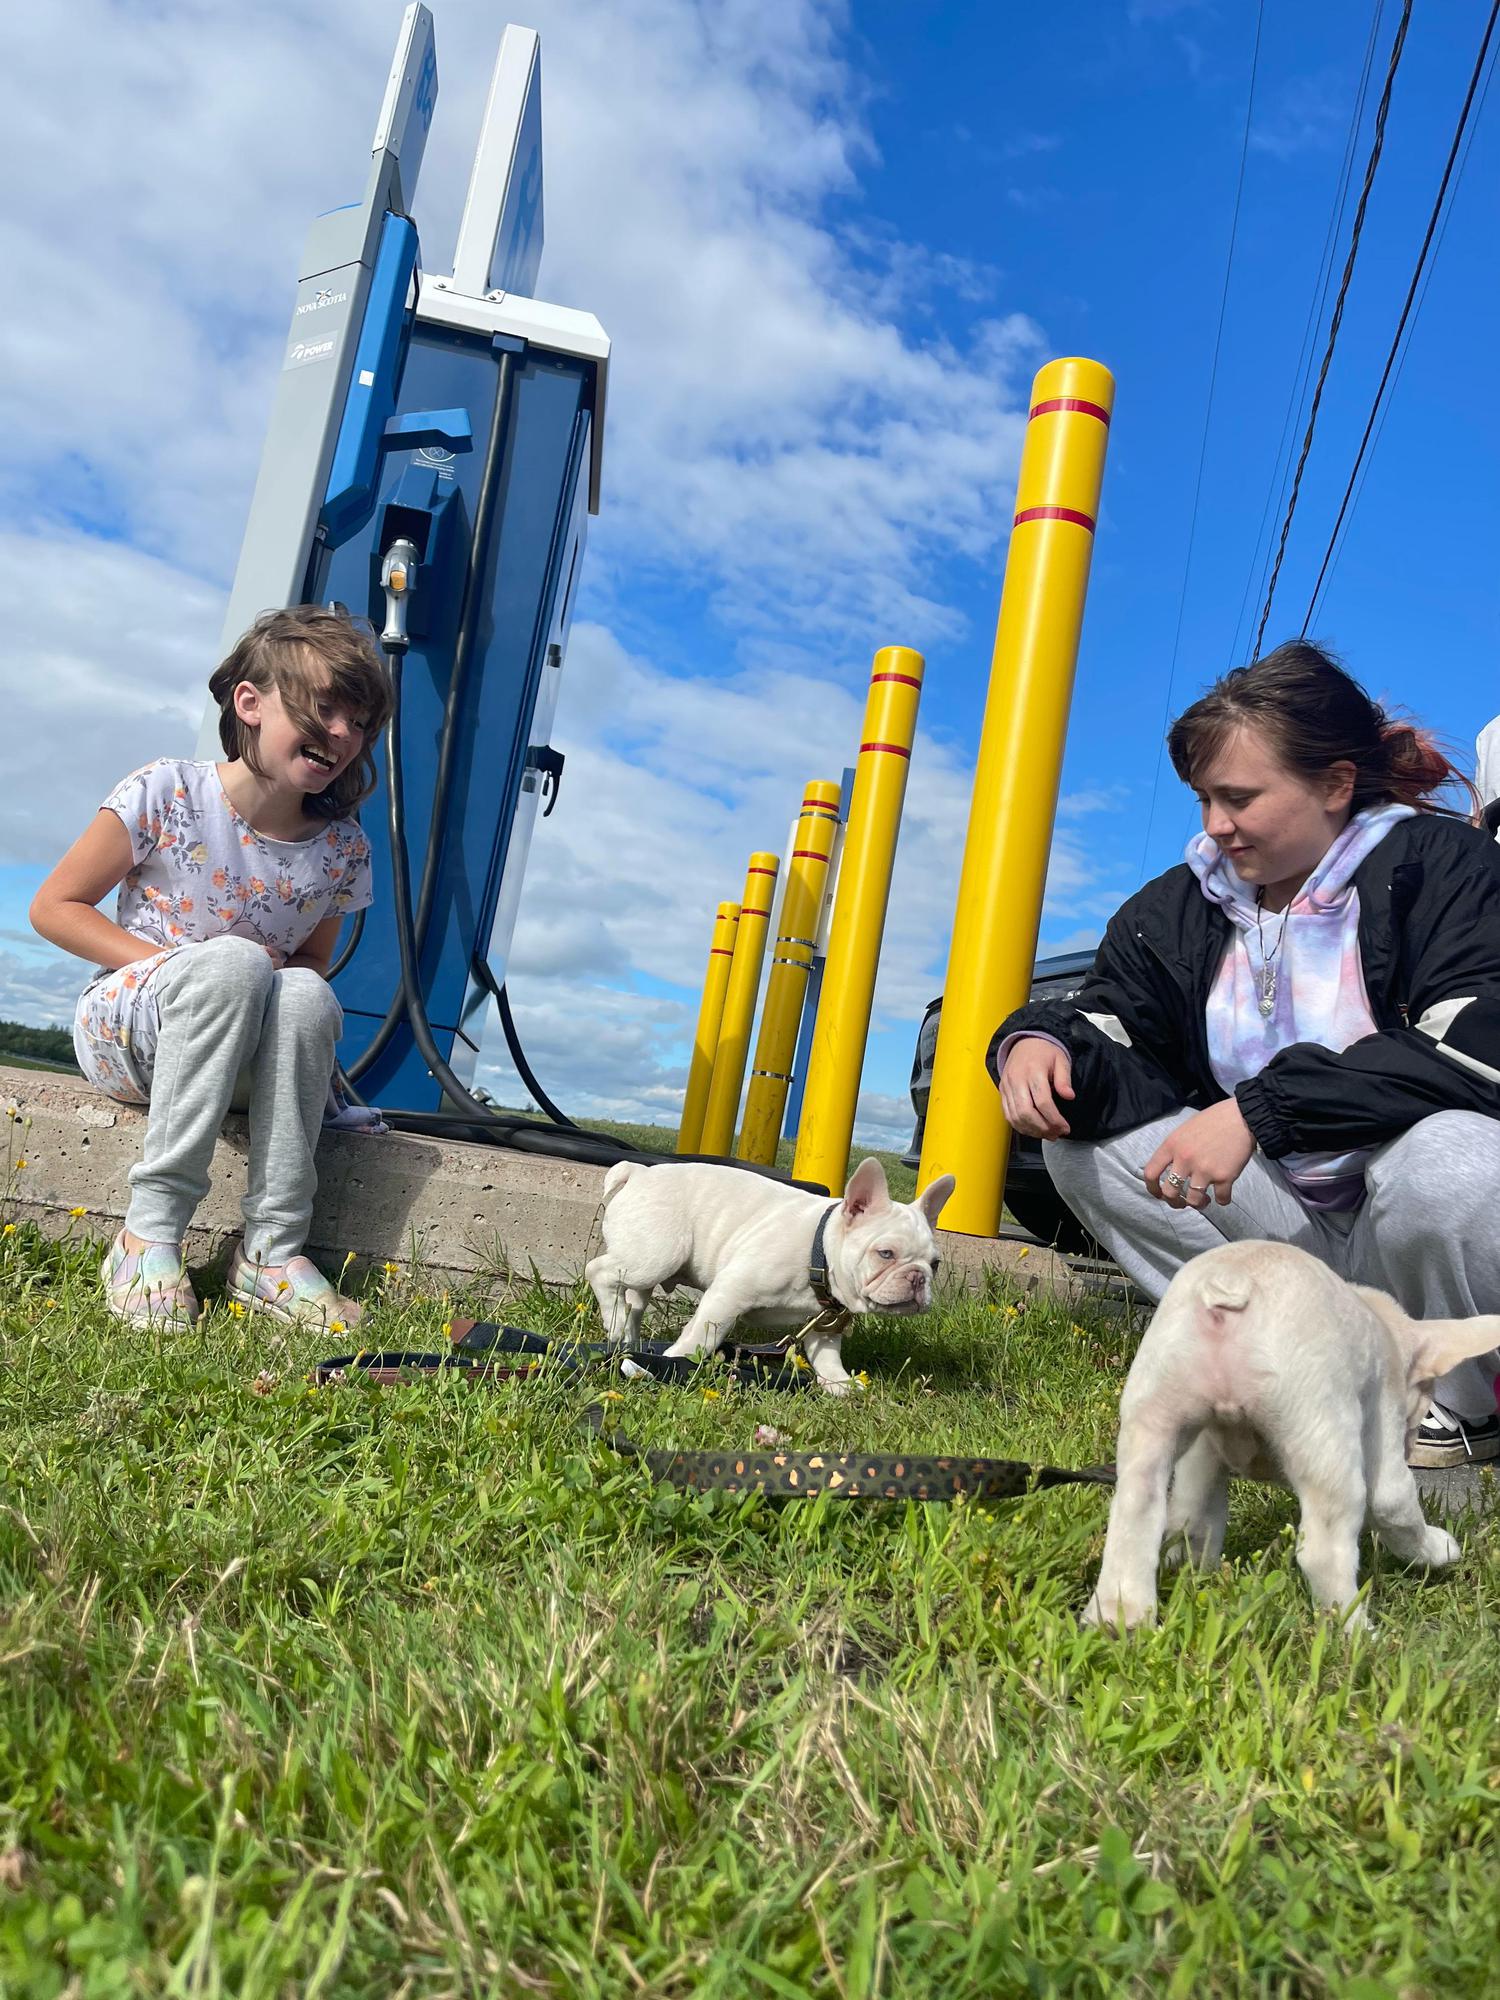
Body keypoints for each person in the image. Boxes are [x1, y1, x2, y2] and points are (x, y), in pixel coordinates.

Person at [993, 640, 1500, 1469]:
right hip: (1291, 1220)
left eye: (1239, 798)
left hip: (1416, 1220)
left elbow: (1474, 1054)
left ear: (1336, 785)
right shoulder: (1179, 907)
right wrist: (1040, 1041)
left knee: (1452, 1161)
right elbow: (1115, 1015)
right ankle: (1285, 1380)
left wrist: (1260, 1111)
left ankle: (1457, 1409)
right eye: (1203, 801)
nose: (1215, 826)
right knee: (1086, 1152)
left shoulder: (1447, 869)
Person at [30, 606, 392, 1332]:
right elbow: (55, 906)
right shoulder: (168, 791)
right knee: (230, 965)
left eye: (360, 722)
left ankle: (270, 1252)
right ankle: (147, 1235)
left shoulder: (343, 848)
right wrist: (188, 962)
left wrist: (269, 978)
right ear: (249, 703)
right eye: (324, 707)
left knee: (304, 993)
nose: (344, 734)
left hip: (241, 1050)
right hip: (133, 1028)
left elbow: (311, 963)